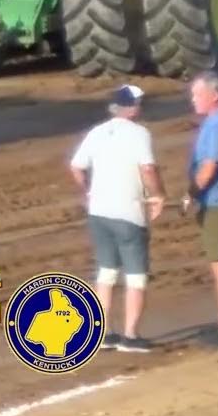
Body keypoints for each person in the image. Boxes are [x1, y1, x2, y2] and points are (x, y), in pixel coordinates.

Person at [69, 84, 166, 353]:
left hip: (99, 212)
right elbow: (148, 169)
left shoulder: (97, 132)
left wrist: (88, 191)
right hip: (128, 213)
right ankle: (130, 336)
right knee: (136, 276)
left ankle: (104, 333)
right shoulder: (139, 134)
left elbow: (77, 167)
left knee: (106, 272)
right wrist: (158, 195)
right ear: (132, 108)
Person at [183, 71, 218, 345]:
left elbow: (210, 166)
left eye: (197, 94)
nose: (193, 100)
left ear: (214, 96)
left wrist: (191, 194)